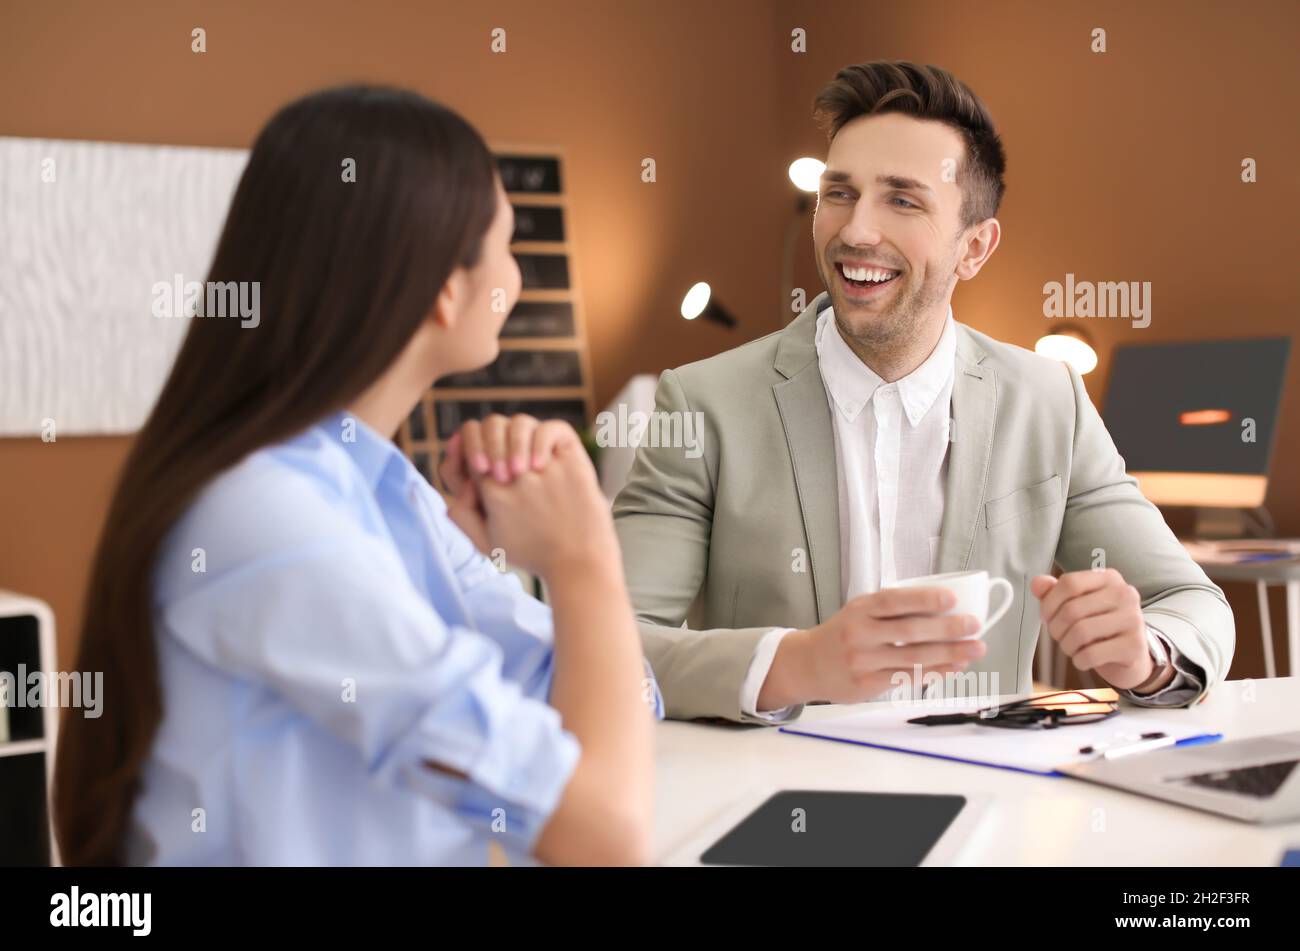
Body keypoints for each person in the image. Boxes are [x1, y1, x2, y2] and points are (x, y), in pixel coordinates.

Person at [54, 85, 657, 866]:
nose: (518, 274)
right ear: (446, 287)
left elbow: (626, 705)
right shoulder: (263, 516)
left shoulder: (386, 487)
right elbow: (607, 835)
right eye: (507, 244)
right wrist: (583, 561)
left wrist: (555, 566)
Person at [608, 60, 1234, 723]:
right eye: (840, 193)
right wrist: (799, 663)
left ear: (974, 248)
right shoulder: (703, 404)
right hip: (782, 801)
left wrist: (1149, 654)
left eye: (902, 199)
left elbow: (1193, 603)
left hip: (990, 801)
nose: (855, 231)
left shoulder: (1049, 402)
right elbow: (606, 648)